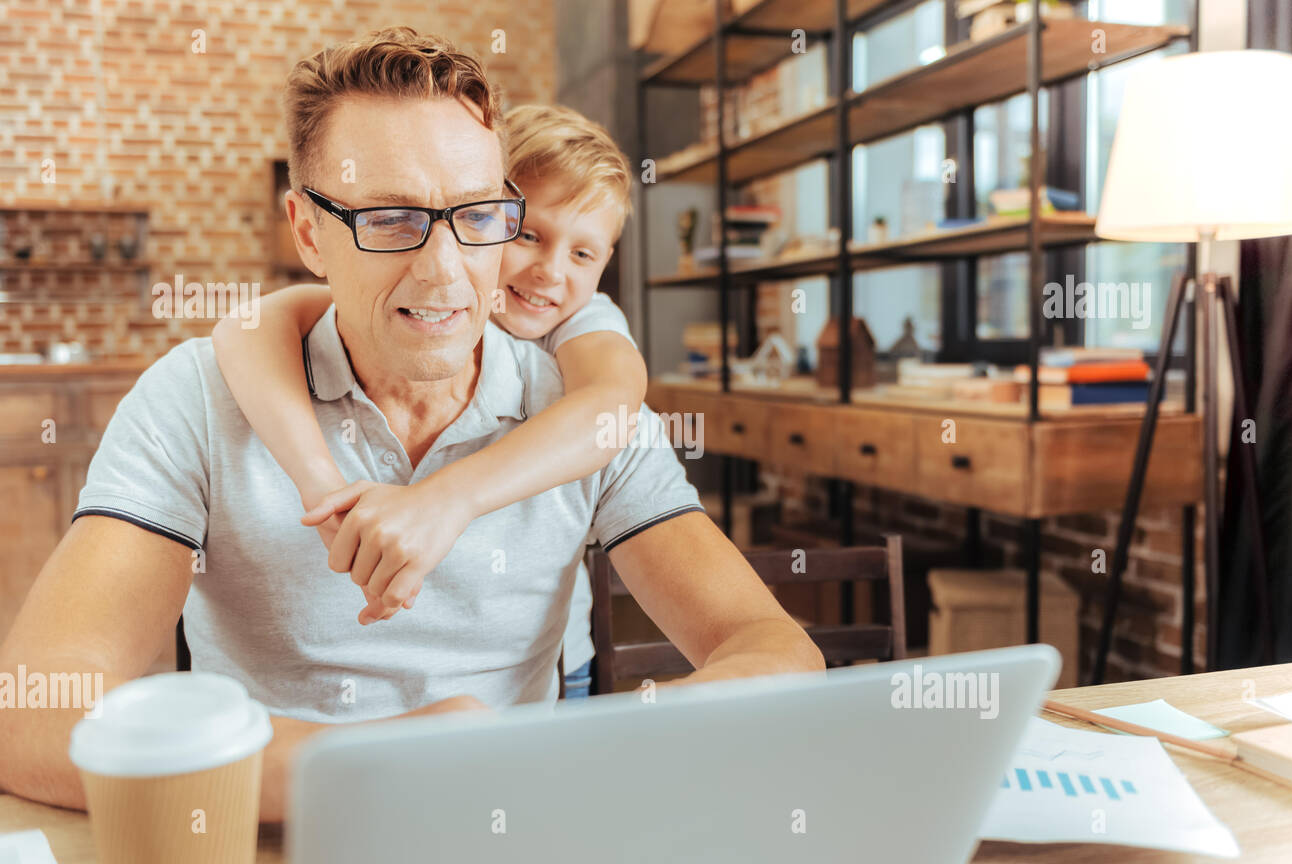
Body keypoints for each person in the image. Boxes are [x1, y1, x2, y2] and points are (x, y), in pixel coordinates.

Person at [0, 27, 822, 823]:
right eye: (390, 220)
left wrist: (588, 753)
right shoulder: (196, 400)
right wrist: (361, 772)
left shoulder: (579, 409)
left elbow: (776, 654)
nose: (444, 271)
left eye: (477, 216)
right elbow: (30, 715)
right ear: (309, 232)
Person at [211, 104, 646, 698]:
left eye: (583, 254)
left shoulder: (580, 320)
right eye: (530, 235)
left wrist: (448, 498)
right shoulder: (402, 300)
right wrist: (320, 486)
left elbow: (613, 406)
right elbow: (247, 327)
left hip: (538, 662)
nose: (549, 272)